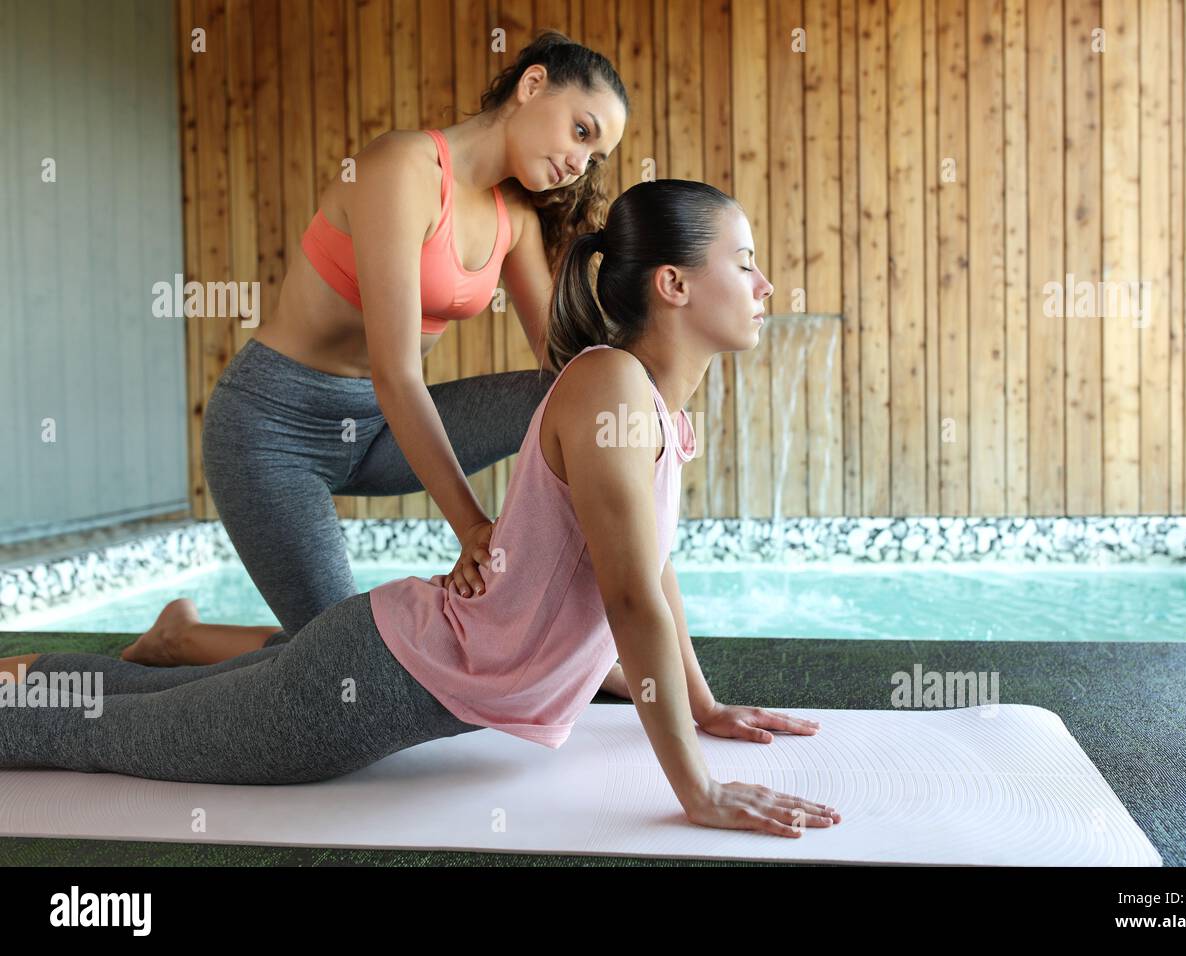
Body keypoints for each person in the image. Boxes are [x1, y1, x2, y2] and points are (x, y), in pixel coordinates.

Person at [0, 180, 841, 837]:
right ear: (674, 284)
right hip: (363, 681)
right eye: (744, 261)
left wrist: (702, 703)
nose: (764, 284)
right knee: (106, 737)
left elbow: (651, 572)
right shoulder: (608, 384)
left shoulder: (647, 404)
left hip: (379, 657)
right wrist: (696, 789)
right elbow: (629, 601)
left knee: (132, 702)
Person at [122, 31, 631, 705]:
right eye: (581, 130)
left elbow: (567, 366)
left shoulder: (514, 216)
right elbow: (396, 373)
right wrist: (474, 529)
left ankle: (573, 643)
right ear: (532, 85)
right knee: (344, 673)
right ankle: (181, 641)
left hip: (376, 431)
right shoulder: (402, 168)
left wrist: (644, 392)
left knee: (574, 396)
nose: (580, 160)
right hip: (273, 432)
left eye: (594, 153)